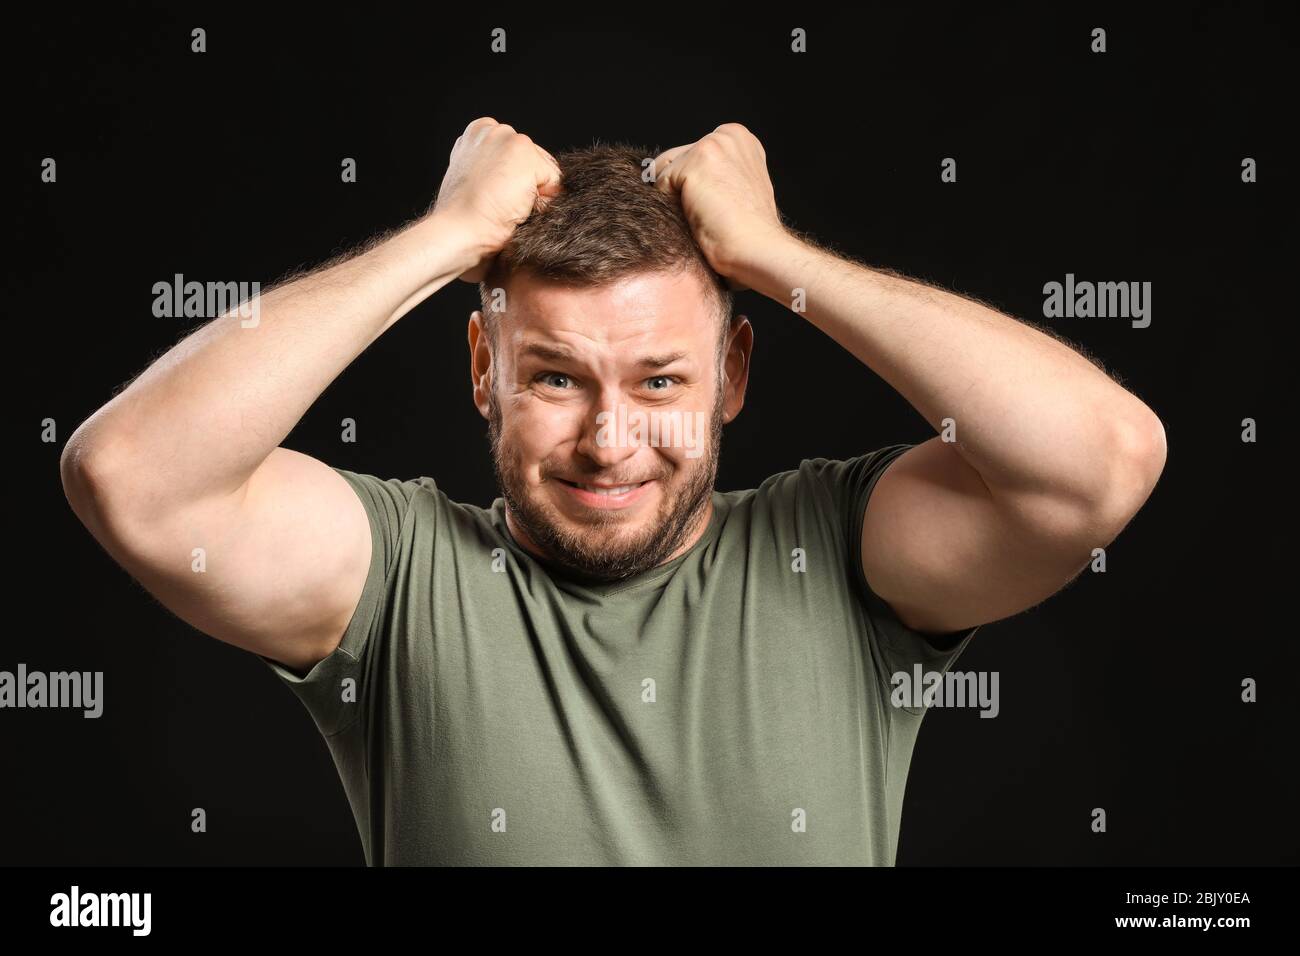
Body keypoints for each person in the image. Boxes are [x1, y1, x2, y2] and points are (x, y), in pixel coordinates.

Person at [59, 118, 1167, 865]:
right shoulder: (397, 582)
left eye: (660, 379)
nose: (609, 438)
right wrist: (446, 240)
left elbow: (1102, 460)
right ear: (484, 370)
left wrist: (777, 255)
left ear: (731, 374)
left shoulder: (833, 552)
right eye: (552, 376)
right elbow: (133, 477)